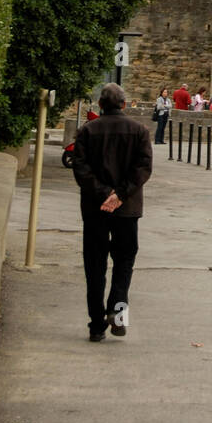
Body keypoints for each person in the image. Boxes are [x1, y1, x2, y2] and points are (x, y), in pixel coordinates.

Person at [72, 82, 153, 342]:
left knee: (95, 265)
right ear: (124, 105)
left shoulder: (87, 131)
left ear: (100, 105)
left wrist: (104, 194)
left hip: (96, 209)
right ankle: (117, 311)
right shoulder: (139, 131)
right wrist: (120, 194)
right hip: (127, 209)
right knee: (124, 260)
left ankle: (96, 325)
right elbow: (143, 168)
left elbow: (81, 169)